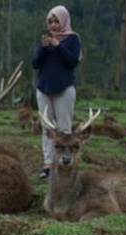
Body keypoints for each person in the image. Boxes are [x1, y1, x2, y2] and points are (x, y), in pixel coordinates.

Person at [32, 5, 82, 180]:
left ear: (64, 21)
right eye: (50, 21)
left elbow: (72, 60)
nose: (53, 25)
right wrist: (43, 47)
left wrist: (58, 45)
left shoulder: (72, 39)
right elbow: (35, 63)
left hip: (64, 89)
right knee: (47, 128)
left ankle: (65, 164)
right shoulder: (45, 40)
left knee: (64, 128)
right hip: (44, 89)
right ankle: (48, 163)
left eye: (56, 21)